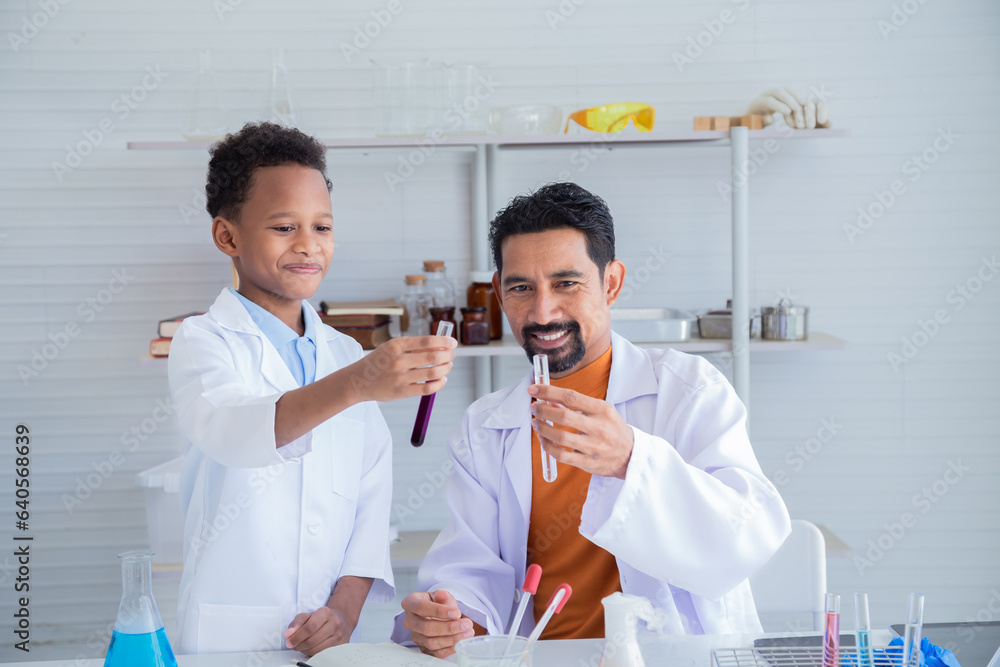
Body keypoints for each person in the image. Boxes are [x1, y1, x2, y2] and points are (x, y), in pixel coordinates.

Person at [393, 182, 791, 657]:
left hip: (673, 655)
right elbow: (472, 568)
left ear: (611, 283)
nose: (543, 312)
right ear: (499, 293)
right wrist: (451, 615)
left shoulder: (687, 391)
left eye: (566, 283)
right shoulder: (486, 427)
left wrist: (631, 459)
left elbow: (749, 534)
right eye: (522, 288)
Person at [168, 122, 456, 656]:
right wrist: (359, 383)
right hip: (232, 632)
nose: (309, 245)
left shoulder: (344, 351)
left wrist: (344, 611)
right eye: (284, 227)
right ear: (228, 236)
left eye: (322, 227)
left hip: (332, 634)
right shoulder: (203, 340)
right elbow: (234, 431)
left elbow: (370, 500)